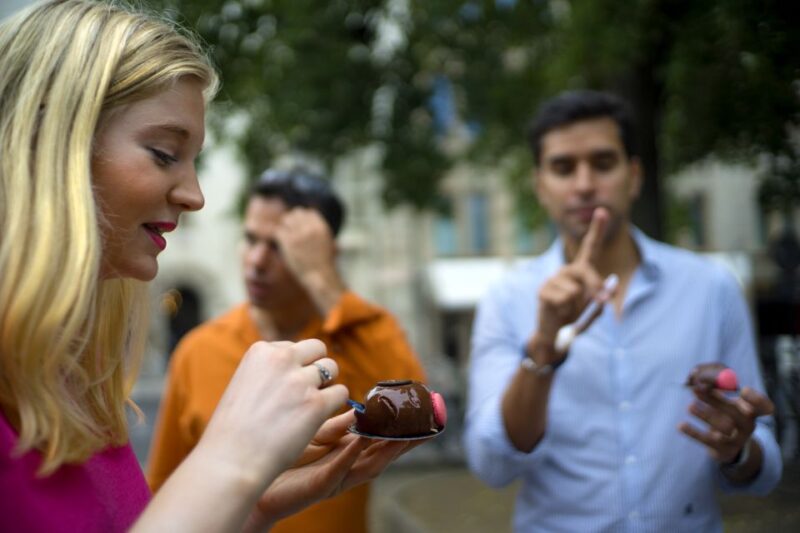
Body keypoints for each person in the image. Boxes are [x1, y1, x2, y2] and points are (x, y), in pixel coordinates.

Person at [0, 1, 410, 531]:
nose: (194, 197)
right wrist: (232, 463)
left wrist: (251, 505)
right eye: (164, 153)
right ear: (51, 141)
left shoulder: (75, 381)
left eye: (282, 244)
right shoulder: (200, 350)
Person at [463, 90, 782, 532]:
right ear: (540, 186)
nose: (584, 184)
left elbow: (763, 466)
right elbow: (491, 464)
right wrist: (542, 350)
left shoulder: (710, 288)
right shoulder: (508, 298)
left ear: (634, 177)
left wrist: (738, 449)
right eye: (563, 167)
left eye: (603, 162)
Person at [146, 168, 427, 533]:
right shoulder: (199, 350)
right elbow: (163, 486)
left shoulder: (360, 333)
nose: (256, 261)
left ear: (324, 253)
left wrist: (321, 278)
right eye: (250, 239)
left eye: (279, 246)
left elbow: (417, 418)